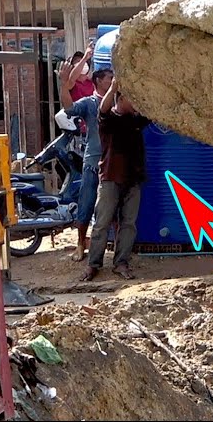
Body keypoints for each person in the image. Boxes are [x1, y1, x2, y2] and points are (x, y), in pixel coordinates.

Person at [82, 77, 150, 282]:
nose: (135, 103)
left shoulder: (135, 120)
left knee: (128, 224)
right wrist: (112, 88)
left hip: (133, 179)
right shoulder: (108, 119)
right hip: (111, 177)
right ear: (120, 99)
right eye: (132, 98)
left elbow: (153, 112)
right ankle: (93, 264)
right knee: (102, 223)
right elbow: (102, 109)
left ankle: (121, 262)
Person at [59, 67, 113, 261]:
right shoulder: (90, 103)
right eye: (109, 78)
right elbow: (69, 108)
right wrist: (64, 85)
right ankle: (81, 243)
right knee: (87, 202)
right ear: (98, 80)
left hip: (113, 160)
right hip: (93, 161)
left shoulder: (117, 102)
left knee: (115, 204)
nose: (112, 81)